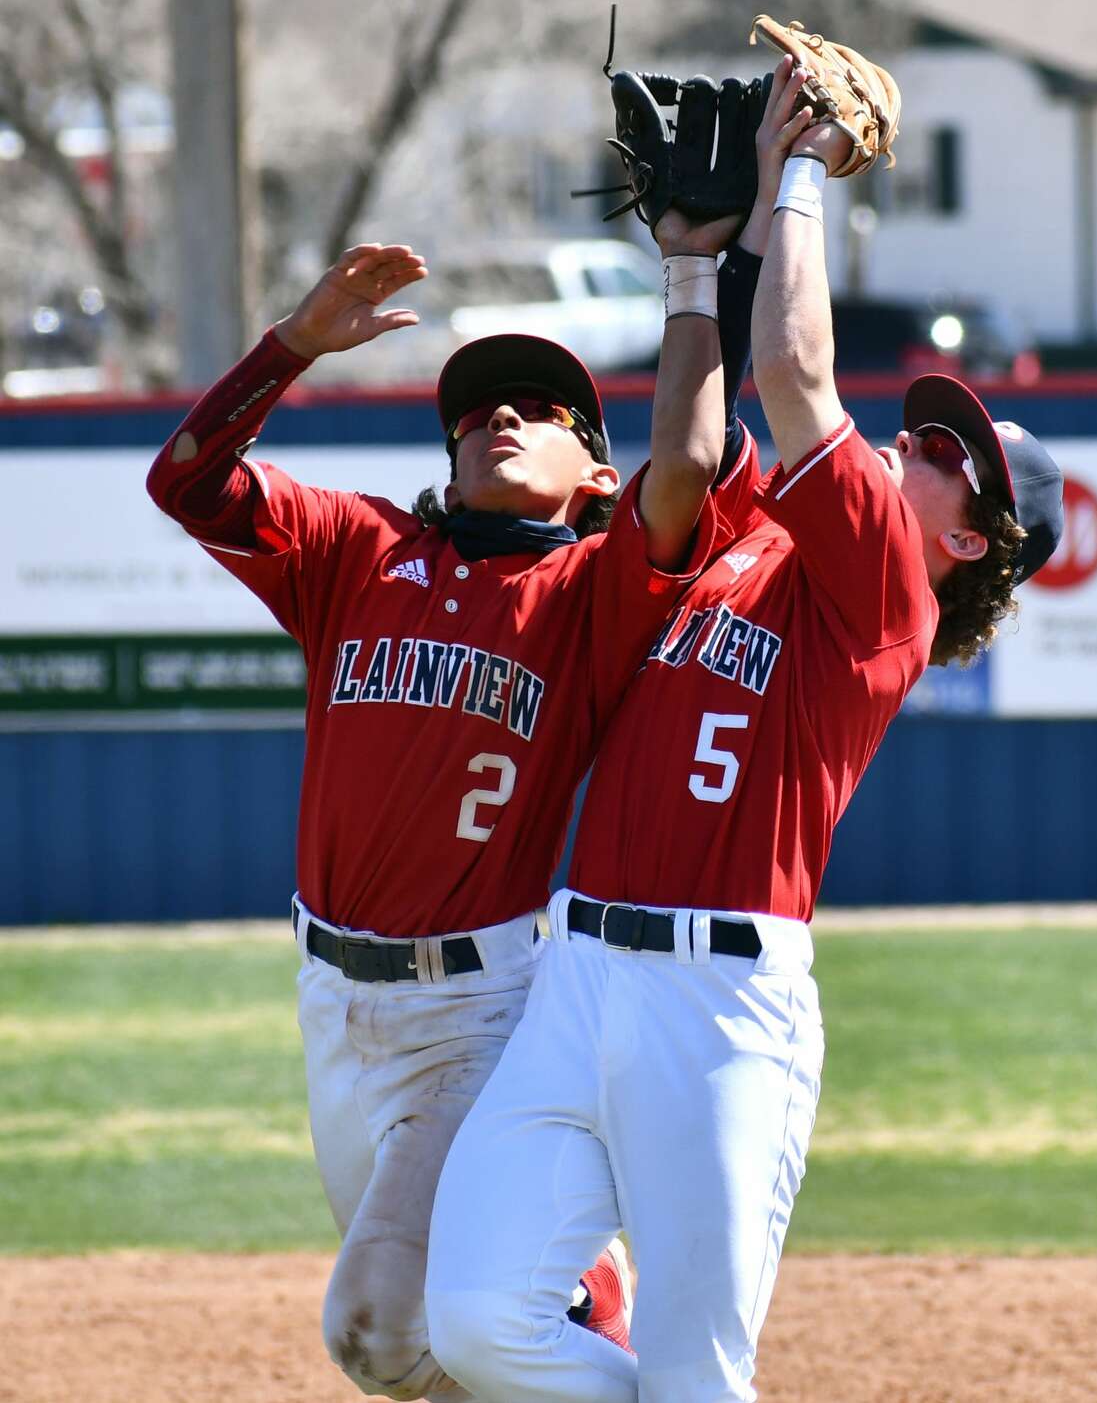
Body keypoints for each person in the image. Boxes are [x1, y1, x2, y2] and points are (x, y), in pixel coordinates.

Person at [423, 56, 1066, 1403]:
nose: (926, 448)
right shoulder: (764, 540)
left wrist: (804, 178)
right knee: (478, 1325)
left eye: (958, 465)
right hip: (579, 976)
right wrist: (696, 259)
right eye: (936, 433)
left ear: (975, 546)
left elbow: (791, 364)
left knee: (697, 1372)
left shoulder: (886, 595)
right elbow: (700, 439)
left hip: (717, 1015)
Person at [145, 167, 770, 1401]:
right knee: (435, 1335)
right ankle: (584, 1294)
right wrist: (291, 348)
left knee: (377, 1331)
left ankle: (614, 1337)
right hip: (331, 998)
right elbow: (186, 482)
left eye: (540, 410)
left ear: (597, 473)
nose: (501, 418)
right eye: (482, 409)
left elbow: (691, 470)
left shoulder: (595, 595)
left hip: (478, 1013)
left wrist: (703, 276)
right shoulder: (360, 550)